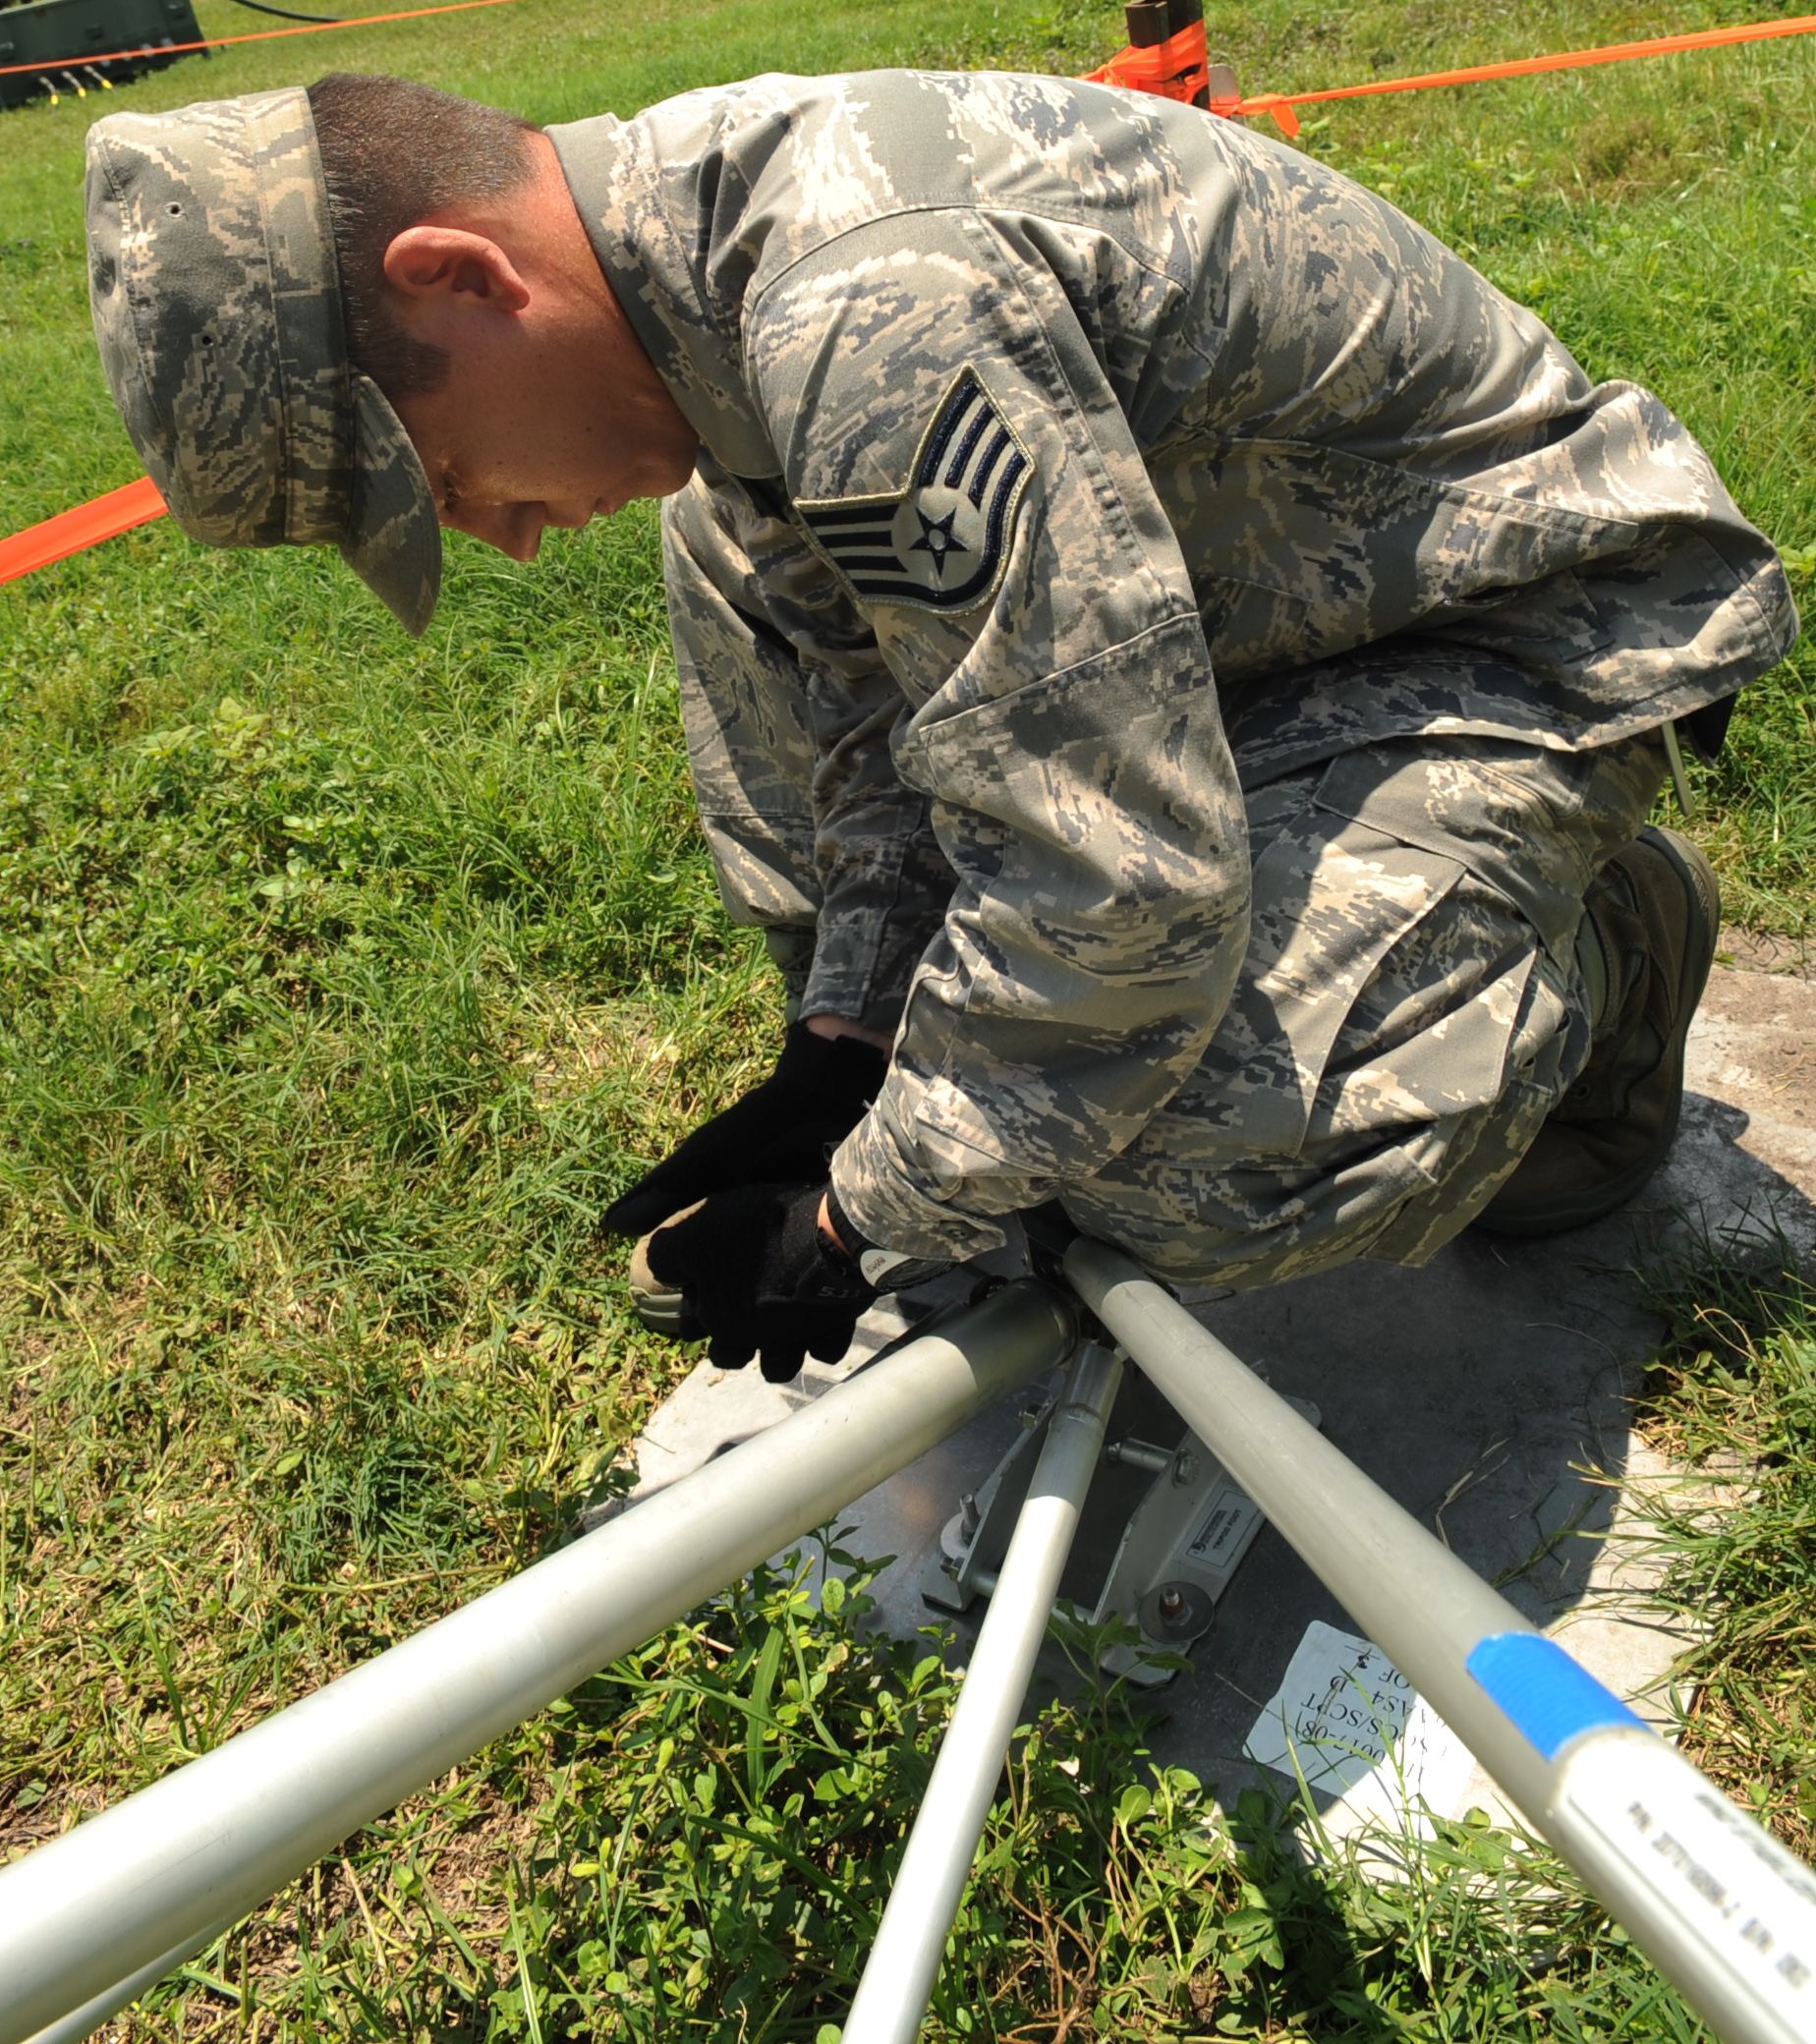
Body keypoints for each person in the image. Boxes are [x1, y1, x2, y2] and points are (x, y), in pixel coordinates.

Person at [84, 68, 1795, 1382]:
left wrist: (864, 1208)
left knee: (1193, 1157)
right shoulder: (703, 283)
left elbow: (1121, 887)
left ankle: (1610, 956)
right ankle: (997, 1085)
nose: (500, 534)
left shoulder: (859, 309)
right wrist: (845, 1049)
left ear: (460, 274)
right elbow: (884, 729)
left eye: (440, 478)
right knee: (731, 568)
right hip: (1220, 645)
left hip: (1494, 635)